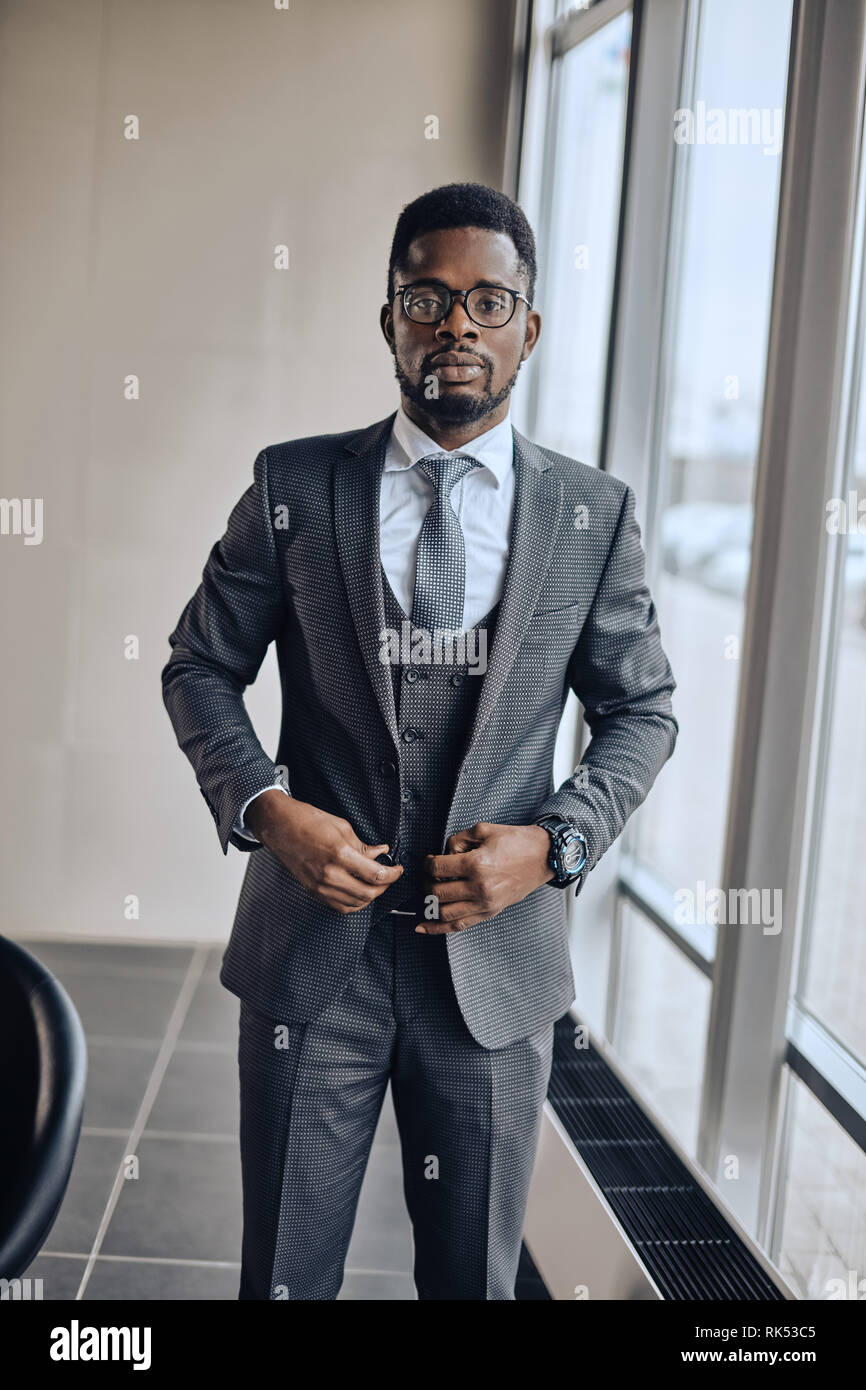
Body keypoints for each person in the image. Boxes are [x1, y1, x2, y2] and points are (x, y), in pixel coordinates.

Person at [161, 182, 678, 1300]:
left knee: (472, 1284)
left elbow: (642, 711)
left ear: (527, 328)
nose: (456, 326)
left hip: (492, 974)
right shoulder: (293, 486)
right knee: (285, 1280)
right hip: (313, 964)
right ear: (388, 317)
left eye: (487, 301)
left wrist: (553, 846)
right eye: (426, 298)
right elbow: (198, 666)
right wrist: (267, 808)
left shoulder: (590, 515)